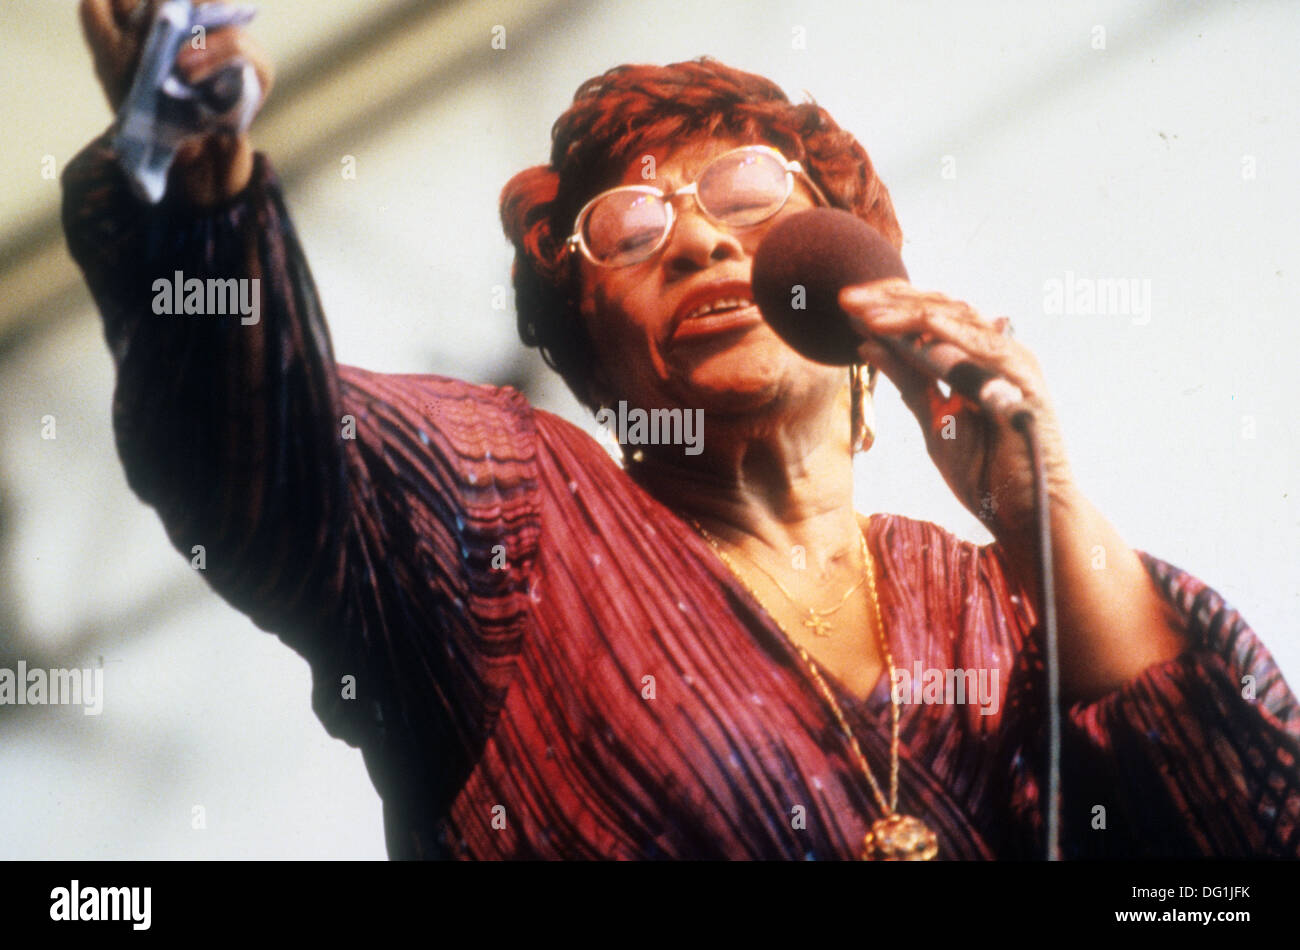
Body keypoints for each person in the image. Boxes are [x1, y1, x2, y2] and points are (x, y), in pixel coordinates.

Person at [64, 0, 1300, 859]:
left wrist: (1044, 510)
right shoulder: (523, 519)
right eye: (630, 228)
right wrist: (197, 199)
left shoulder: (1011, 603)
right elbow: (265, 456)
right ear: (592, 343)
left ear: (859, 280)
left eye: (748, 195)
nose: (703, 238)